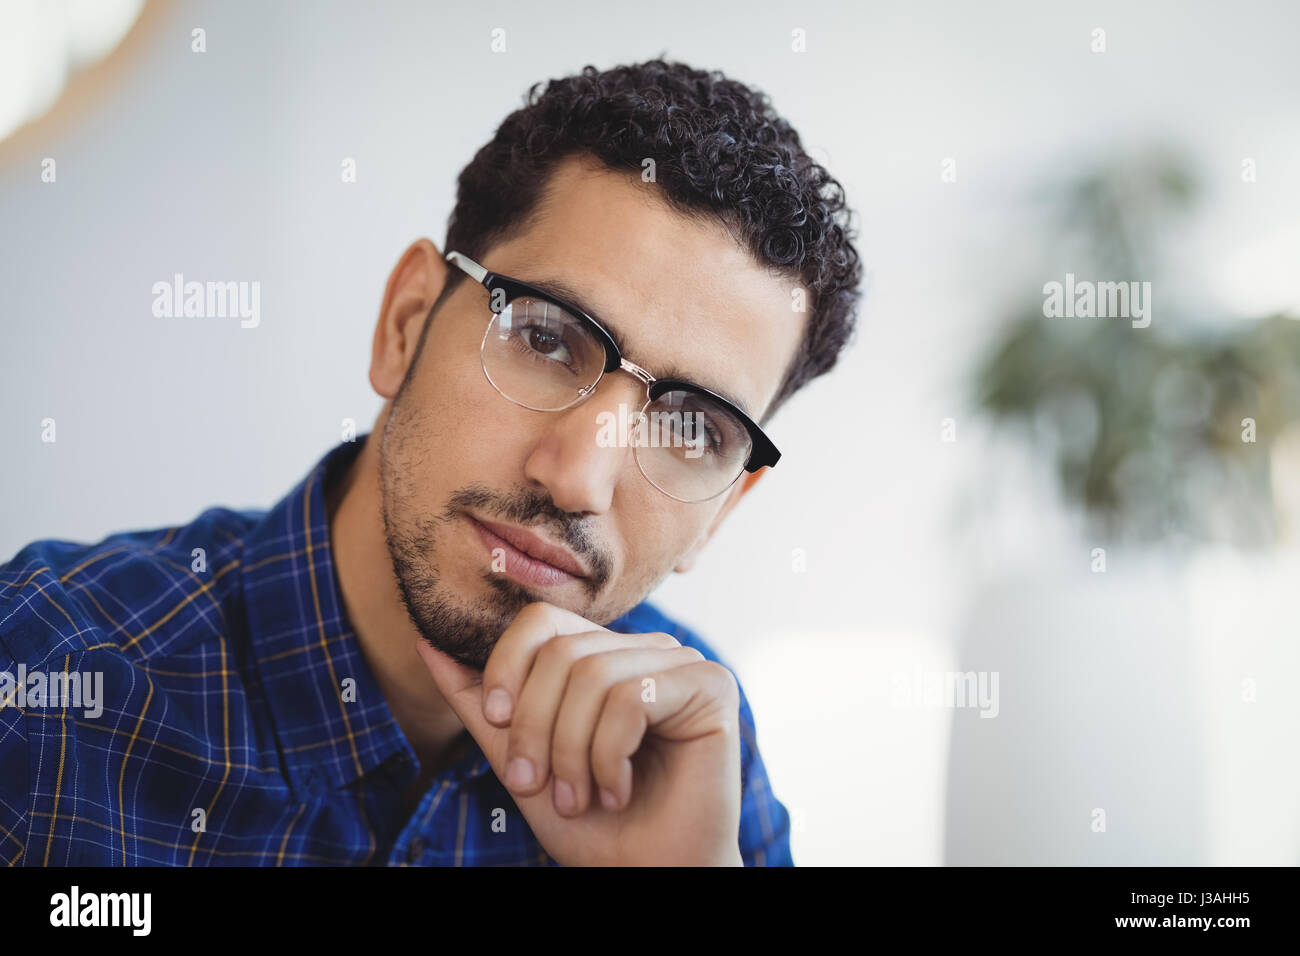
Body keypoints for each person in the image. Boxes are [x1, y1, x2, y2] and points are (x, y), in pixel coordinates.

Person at [0, 59, 861, 866]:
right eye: (546, 339)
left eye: (692, 431)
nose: (578, 480)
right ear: (405, 323)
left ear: (723, 510)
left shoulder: (689, 745)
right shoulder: (44, 677)